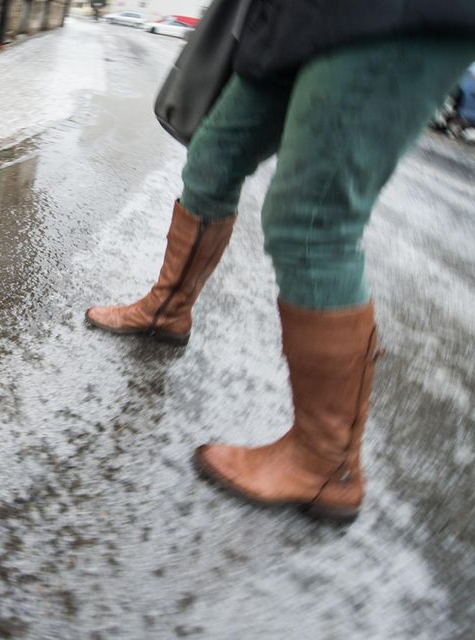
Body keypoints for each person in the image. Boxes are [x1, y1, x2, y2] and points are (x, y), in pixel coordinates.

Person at [86, 1, 475, 521]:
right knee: (212, 161)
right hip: (294, 23)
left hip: (395, 16)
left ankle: (325, 464)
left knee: (312, 218)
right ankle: (167, 309)